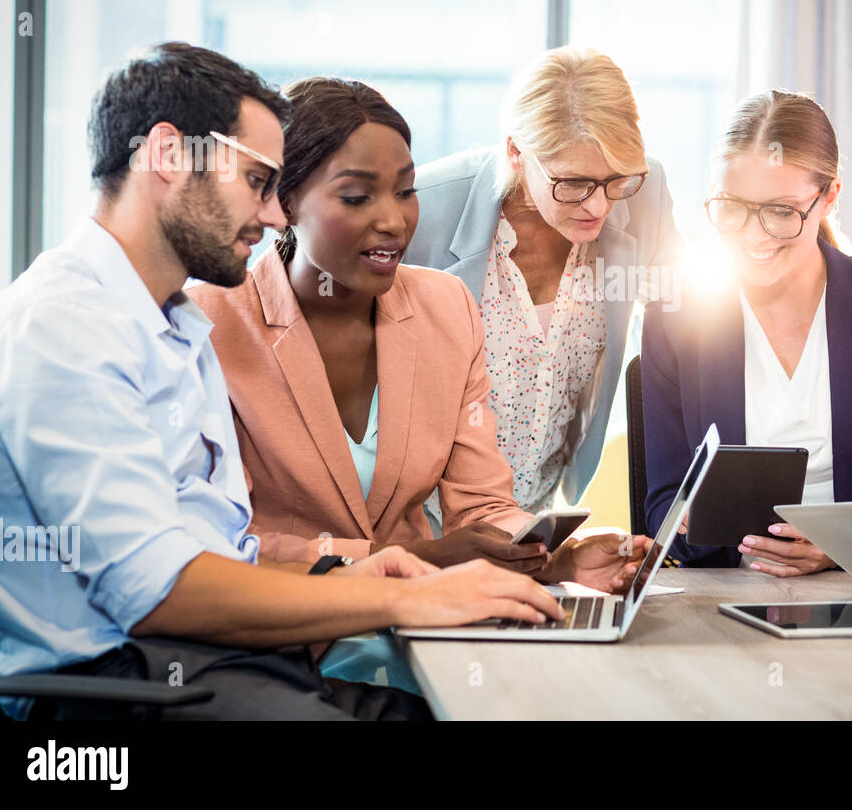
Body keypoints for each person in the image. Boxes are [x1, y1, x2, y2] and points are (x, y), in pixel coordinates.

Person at [0, 43, 564, 720]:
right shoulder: (61, 329)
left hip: (218, 661)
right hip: (120, 686)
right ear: (168, 155)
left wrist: (367, 571)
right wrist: (404, 595)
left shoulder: (170, 329)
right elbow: (156, 589)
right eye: (257, 183)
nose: (275, 216)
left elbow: (220, 555)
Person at [187, 77, 644, 633]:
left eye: (404, 191)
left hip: (426, 631)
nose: (393, 220)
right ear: (283, 200)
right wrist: (422, 561)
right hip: (283, 639)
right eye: (357, 197)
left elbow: (480, 508)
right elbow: (223, 543)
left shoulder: (446, 307)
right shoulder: (208, 322)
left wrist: (550, 559)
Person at [641, 91, 852, 571]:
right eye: (731, 207)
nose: (753, 235)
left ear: (828, 198)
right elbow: (661, 507)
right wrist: (689, 525)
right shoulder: (676, 314)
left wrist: (841, 547)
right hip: (725, 590)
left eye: (782, 212)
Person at [404, 47, 684, 519]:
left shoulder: (645, 192)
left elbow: (688, 334)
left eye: (615, 181)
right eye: (573, 183)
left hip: (536, 516)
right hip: (420, 517)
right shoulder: (425, 208)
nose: (598, 206)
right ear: (516, 152)